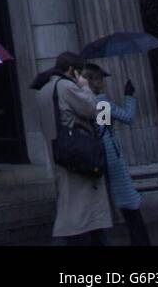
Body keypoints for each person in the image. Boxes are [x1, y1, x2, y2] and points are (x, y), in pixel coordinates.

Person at [37, 52, 112, 246]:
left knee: (79, 215)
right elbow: (92, 109)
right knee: (77, 217)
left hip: (62, 154)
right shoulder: (66, 86)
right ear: (72, 70)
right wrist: (86, 88)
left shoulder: (45, 89)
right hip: (80, 155)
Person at [82, 65, 151, 246]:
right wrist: (129, 96)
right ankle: (140, 240)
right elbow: (127, 117)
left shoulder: (85, 101)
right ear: (93, 81)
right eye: (99, 79)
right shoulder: (101, 102)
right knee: (128, 200)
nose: (103, 82)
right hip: (110, 154)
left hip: (97, 154)